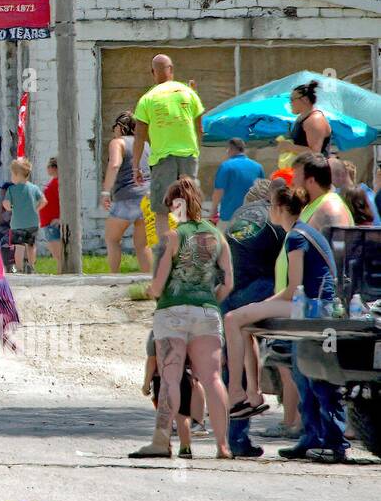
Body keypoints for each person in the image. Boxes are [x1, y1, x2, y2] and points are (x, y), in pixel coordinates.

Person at [224, 183, 346, 462]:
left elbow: (294, 287)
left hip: (310, 305)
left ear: (279, 208)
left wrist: (262, 306)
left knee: (234, 319)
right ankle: (252, 397)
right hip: (312, 303)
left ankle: (243, 394)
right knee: (244, 327)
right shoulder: (301, 231)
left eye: (271, 207)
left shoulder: (296, 237)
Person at [131, 177, 232, 459]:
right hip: (206, 313)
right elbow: (227, 283)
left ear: (176, 206)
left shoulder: (172, 238)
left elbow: (159, 283)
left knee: (171, 377)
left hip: (172, 312)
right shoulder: (218, 236)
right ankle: (223, 445)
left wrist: (148, 292)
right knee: (212, 378)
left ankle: (162, 442)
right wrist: (209, 301)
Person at [219, 179, 286, 457]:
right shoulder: (274, 217)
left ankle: (233, 439)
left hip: (228, 292)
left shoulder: (237, 217)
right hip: (258, 287)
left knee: (230, 367)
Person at [132, 55, 204, 236]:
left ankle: (166, 250)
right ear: (171, 70)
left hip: (163, 159)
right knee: (186, 203)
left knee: (162, 209)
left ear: (153, 72)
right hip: (188, 156)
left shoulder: (147, 98)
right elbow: (200, 128)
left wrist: (136, 167)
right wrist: (196, 152)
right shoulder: (189, 93)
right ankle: (187, 245)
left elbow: (139, 136)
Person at [101, 111, 150, 273]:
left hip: (127, 196)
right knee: (142, 244)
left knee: (112, 238)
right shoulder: (145, 144)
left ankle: (113, 277)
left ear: (121, 127)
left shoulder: (118, 143)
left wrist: (106, 193)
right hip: (147, 196)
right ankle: (150, 281)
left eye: (114, 127)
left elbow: (114, 165)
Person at [142, 329, 198, 457]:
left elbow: (152, 360)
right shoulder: (187, 331)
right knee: (183, 416)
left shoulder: (156, 332)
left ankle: (164, 445)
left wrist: (146, 383)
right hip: (183, 377)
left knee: (164, 414)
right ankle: (185, 447)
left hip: (161, 378)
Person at [292, 153, 353, 235]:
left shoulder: (331, 207)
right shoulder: (314, 204)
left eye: (296, 176)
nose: (293, 182)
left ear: (311, 181)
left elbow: (340, 244)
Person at [2, 158, 44, 274]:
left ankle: (19, 269)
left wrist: (10, 208)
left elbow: (5, 204)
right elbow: (43, 201)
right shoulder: (34, 188)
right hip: (32, 222)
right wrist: (36, 209)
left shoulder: (11, 189)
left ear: (16, 174)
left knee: (19, 247)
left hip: (17, 224)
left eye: (12, 174)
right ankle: (32, 267)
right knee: (31, 246)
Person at [211, 139, 262, 231]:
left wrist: (213, 210)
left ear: (230, 149)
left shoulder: (226, 166)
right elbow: (262, 191)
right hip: (251, 217)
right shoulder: (258, 167)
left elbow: (219, 191)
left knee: (223, 243)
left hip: (229, 217)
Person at [285, 79, 333, 157]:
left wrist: (289, 147)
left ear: (305, 99)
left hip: (317, 168)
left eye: (292, 99)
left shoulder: (315, 120)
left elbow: (315, 153)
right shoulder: (302, 119)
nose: (290, 103)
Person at [38, 157, 62, 270]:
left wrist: (60, 218)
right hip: (48, 222)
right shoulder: (54, 181)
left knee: (58, 254)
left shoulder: (58, 183)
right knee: (56, 253)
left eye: (48, 166)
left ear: (54, 168)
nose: (47, 169)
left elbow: (64, 201)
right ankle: (61, 273)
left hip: (53, 222)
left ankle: (62, 274)